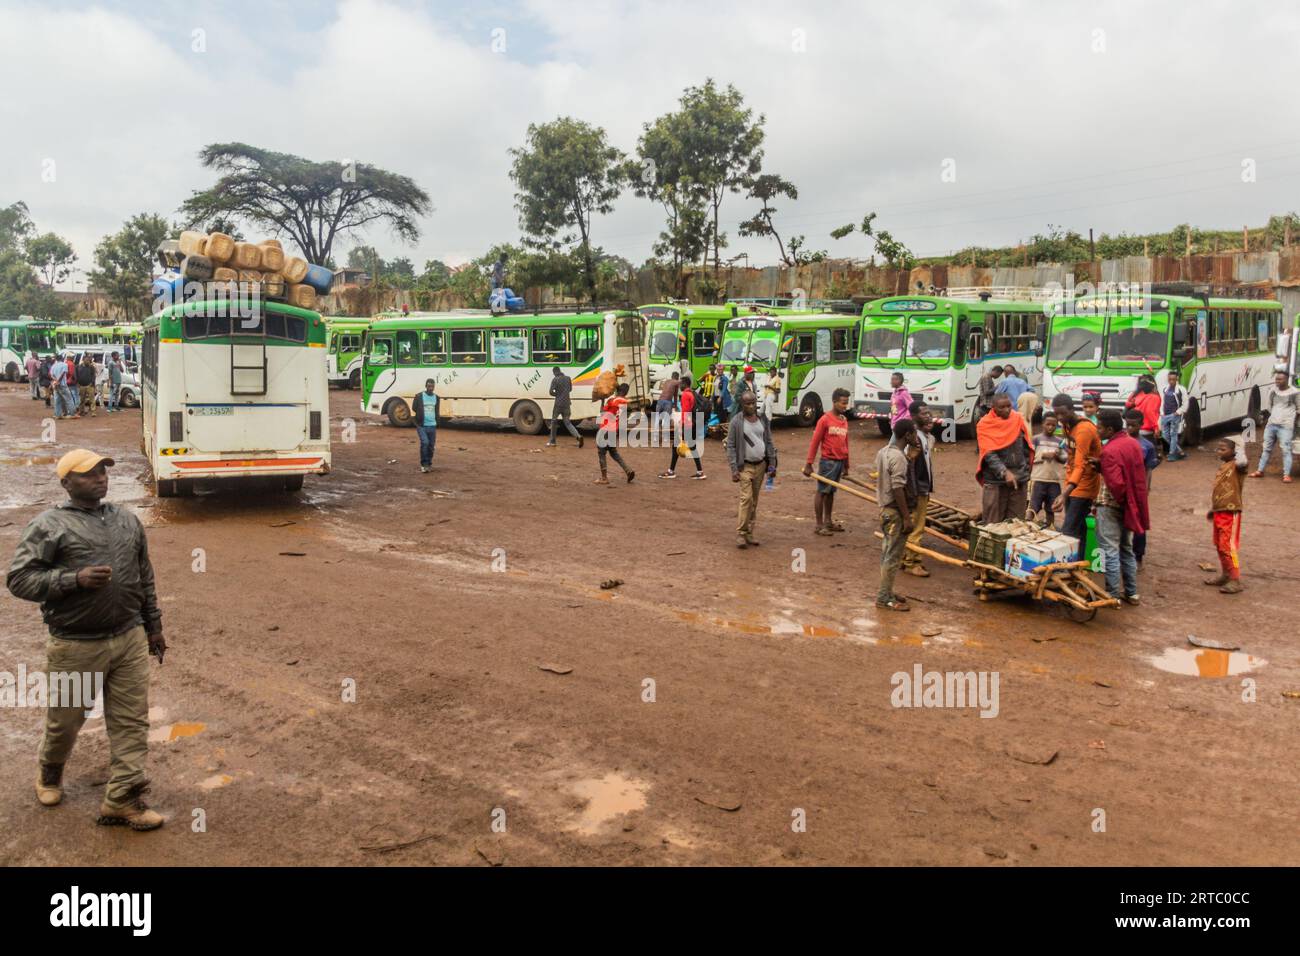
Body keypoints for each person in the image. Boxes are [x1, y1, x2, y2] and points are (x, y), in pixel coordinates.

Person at [6, 449, 166, 830]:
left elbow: (145, 576)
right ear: (66, 483)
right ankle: (49, 772)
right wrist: (71, 580)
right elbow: (19, 580)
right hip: (76, 644)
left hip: (128, 637)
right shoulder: (49, 525)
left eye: (102, 472)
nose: (99, 478)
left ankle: (122, 799)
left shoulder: (127, 520)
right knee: (65, 721)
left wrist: (154, 626)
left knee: (131, 721)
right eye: (87, 474)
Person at [1094, 409, 1149, 604]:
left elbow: (1116, 484)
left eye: (1099, 427)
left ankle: (1112, 594)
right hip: (1130, 504)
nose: (1097, 430)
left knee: (1109, 549)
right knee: (1126, 548)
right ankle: (1132, 592)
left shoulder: (1109, 450)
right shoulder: (1133, 444)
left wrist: (1120, 499)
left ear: (1109, 429)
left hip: (1110, 504)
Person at [1051, 394, 1102, 561]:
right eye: (1056, 414)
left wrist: (1064, 493)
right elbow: (1072, 457)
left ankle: (1069, 570)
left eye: (1063, 414)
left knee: (1069, 531)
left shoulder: (1084, 430)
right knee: (1078, 529)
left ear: (1072, 410)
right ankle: (1079, 566)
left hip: (1084, 485)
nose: (1059, 418)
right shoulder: (1067, 426)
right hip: (1072, 481)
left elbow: (1080, 465)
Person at [875, 417, 918, 612]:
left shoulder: (883, 452)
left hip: (884, 510)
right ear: (907, 435)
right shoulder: (899, 458)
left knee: (887, 553)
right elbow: (898, 488)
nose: (916, 436)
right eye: (914, 433)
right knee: (892, 557)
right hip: (895, 512)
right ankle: (884, 598)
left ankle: (887, 592)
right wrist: (907, 517)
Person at [725, 390, 777, 548]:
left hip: (761, 465)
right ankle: (741, 533)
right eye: (748, 403)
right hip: (744, 466)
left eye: (753, 402)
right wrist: (734, 469)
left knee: (754, 501)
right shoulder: (736, 422)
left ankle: (749, 533)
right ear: (742, 405)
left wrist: (772, 463)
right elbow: (731, 446)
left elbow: (768, 441)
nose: (751, 406)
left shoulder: (762, 419)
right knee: (746, 499)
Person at [975, 394, 1032, 524]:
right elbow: (988, 453)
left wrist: (1024, 472)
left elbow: (1026, 448)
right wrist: (1004, 472)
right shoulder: (985, 424)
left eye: (1008, 406)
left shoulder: (1017, 419)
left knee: (1016, 523)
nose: (1007, 410)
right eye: (1002, 407)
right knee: (993, 523)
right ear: (993, 407)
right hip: (995, 481)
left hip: (1018, 479)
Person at [802, 387, 852, 536]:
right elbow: (815, 442)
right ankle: (819, 524)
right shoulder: (825, 419)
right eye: (843, 403)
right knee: (822, 491)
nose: (845, 406)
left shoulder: (844, 420)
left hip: (839, 461)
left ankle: (828, 522)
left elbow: (845, 443)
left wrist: (846, 465)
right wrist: (809, 463)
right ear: (834, 402)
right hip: (828, 462)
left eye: (847, 403)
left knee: (831, 493)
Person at [896, 401, 935, 576]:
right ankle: (913, 563)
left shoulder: (925, 437)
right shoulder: (915, 439)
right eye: (923, 414)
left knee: (914, 525)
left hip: (921, 487)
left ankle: (906, 559)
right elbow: (910, 468)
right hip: (917, 488)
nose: (928, 416)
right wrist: (915, 492)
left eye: (929, 413)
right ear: (913, 417)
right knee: (917, 527)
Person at [1206, 437, 1247, 593]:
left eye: (1223, 449)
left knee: (1228, 547)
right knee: (1219, 545)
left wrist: (1240, 447)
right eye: (1219, 448)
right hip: (1220, 511)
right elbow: (1220, 492)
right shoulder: (1224, 467)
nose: (1219, 452)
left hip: (1231, 512)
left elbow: (1243, 462)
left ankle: (1235, 579)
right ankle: (1226, 574)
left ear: (1234, 451)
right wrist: (1213, 509)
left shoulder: (1238, 466)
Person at [1123, 408, 1159, 567]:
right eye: (1127, 425)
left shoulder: (1147, 446)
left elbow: (1148, 469)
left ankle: (1138, 555)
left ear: (1141, 424)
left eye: (1133, 425)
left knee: (1138, 522)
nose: (1130, 428)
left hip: (1138, 489)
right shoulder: (1120, 441)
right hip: (1122, 487)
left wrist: (1146, 489)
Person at [1250, 369, 1298, 482]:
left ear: (1286, 380)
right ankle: (1260, 470)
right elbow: (1269, 407)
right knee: (1266, 448)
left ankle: (1286, 475)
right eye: (1276, 379)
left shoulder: (1295, 392)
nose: (1277, 381)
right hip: (1272, 424)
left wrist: (1292, 421)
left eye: (1280, 379)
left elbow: (1298, 409)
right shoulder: (1273, 391)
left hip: (1286, 426)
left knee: (1286, 450)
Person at [660, 375, 705, 479]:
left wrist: (681, 426)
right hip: (692, 424)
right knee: (689, 447)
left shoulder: (685, 395)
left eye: (681, 383)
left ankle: (671, 471)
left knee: (677, 446)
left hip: (687, 425)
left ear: (685, 384)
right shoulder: (692, 393)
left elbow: (685, 412)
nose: (679, 385)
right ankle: (699, 471)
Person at [1028, 412, 1067, 527]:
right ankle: (1028, 526)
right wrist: (1043, 456)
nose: (1050, 427)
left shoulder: (1059, 442)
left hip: (1054, 480)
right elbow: (1029, 458)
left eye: (1053, 425)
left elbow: (1065, 459)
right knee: (1033, 506)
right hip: (1038, 478)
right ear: (1042, 424)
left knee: (1051, 508)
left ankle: (1050, 527)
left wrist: (1058, 456)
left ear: (1057, 426)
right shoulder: (1036, 439)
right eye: (1048, 424)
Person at [594, 383, 635, 485]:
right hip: (613, 430)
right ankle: (628, 470)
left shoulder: (611, 401)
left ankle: (604, 478)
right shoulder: (624, 403)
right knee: (614, 453)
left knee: (601, 452)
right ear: (626, 392)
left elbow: (602, 413)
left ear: (617, 391)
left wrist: (603, 400)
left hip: (605, 429)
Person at [546, 367, 583, 448]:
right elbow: (570, 389)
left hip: (558, 404)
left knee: (553, 422)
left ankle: (552, 442)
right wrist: (564, 393)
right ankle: (578, 436)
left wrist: (557, 394)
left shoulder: (555, 379)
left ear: (555, 372)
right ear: (560, 371)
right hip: (567, 404)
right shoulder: (568, 378)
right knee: (567, 422)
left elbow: (551, 392)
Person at [1160, 370, 1189, 461]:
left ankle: (1172, 454)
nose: (1171, 381)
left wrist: (1178, 412)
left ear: (1177, 379)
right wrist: (1161, 413)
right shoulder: (1165, 388)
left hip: (1174, 415)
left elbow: (1185, 402)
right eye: (1170, 379)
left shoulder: (1181, 389)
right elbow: (1162, 402)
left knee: (1173, 434)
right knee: (1165, 435)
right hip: (1165, 415)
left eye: (1173, 379)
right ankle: (1179, 451)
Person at [411, 379, 439, 473]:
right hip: (421, 425)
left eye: (432, 386)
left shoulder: (437, 398)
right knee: (425, 443)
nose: (430, 388)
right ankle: (424, 464)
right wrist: (420, 417)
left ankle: (429, 463)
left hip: (432, 425)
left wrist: (436, 422)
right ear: (426, 386)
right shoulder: (419, 396)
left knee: (431, 446)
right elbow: (414, 408)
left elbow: (437, 410)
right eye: (429, 386)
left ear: (434, 387)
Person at [50, 354, 76, 420]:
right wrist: (58, 380)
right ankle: (72, 413)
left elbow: (51, 375)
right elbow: (63, 373)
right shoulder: (64, 365)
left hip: (55, 385)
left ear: (56, 359)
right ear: (62, 358)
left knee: (57, 400)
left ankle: (58, 414)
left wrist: (55, 380)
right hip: (62, 384)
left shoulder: (53, 366)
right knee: (69, 399)